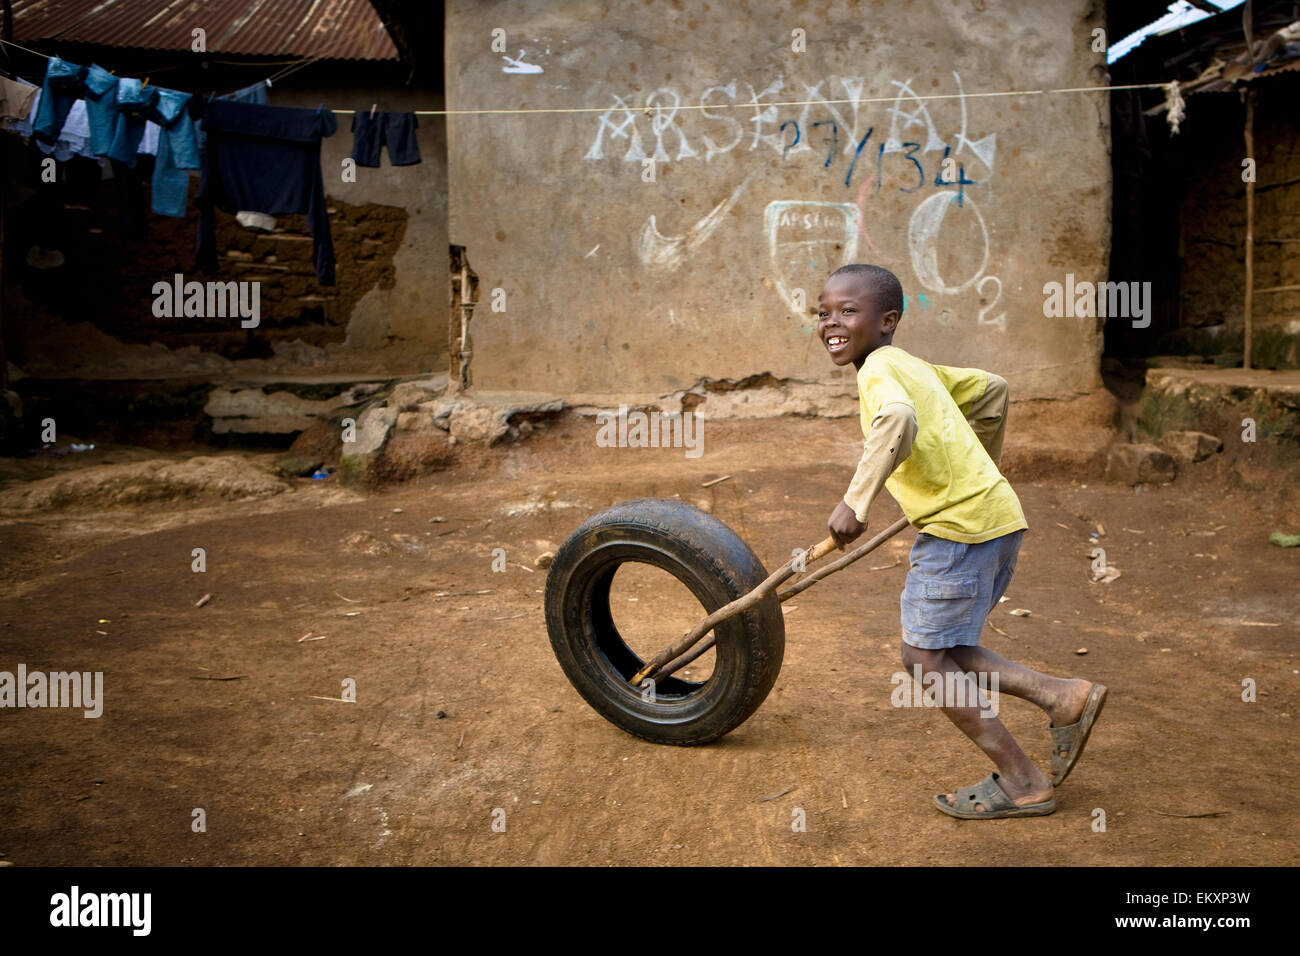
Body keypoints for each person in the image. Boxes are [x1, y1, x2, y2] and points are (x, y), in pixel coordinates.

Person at [817, 263, 1107, 819]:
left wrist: (855, 502)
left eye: (847, 311)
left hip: (961, 530)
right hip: (995, 518)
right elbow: (993, 390)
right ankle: (1063, 697)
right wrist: (979, 471)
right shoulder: (910, 364)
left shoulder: (878, 370)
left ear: (887, 321)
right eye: (823, 312)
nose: (832, 322)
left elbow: (897, 419)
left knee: (923, 657)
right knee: (946, 648)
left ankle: (1024, 783)